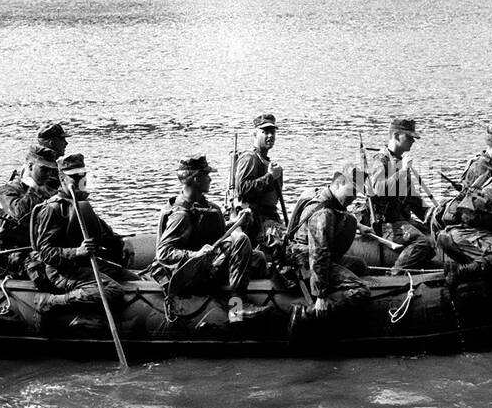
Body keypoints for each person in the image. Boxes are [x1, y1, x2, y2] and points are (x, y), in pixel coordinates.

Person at [28, 153, 136, 309]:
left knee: (132, 278)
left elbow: (102, 232)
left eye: (82, 175)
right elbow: (45, 252)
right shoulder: (54, 209)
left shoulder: (80, 204)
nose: (80, 180)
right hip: (62, 271)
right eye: (74, 177)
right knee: (112, 290)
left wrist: (120, 243)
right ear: (62, 179)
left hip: (85, 265)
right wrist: (77, 252)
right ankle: (51, 302)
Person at [148, 154, 265, 297]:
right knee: (241, 240)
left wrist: (235, 222)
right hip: (191, 274)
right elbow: (163, 253)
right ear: (196, 179)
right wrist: (195, 254)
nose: (210, 179)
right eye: (206, 175)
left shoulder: (200, 206)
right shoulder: (180, 215)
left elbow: (205, 233)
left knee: (258, 257)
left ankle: (258, 293)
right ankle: (238, 307)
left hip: (205, 265)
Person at [286, 168, 372, 325]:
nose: (354, 197)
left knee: (359, 265)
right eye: (352, 191)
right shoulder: (323, 214)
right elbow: (319, 254)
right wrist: (320, 295)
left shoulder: (323, 196)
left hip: (304, 254)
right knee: (361, 291)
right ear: (339, 183)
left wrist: (358, 226)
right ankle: (307, 314)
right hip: (305, 262)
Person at [0, 144, 59, 278]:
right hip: (5, 254)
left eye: (51, 170)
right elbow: (20, 213)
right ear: (30, 167)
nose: (48, 174)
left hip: (31, 248)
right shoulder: (8, 192)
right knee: (42, 266)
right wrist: (33, 188)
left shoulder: (47, 192)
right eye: (44, 169)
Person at [361, 118, 436, 272]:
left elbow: (412, 198)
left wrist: (431, 215)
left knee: (434, 235)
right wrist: (402, 172)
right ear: (395, 135)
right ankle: (396, 273)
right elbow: (378, 190)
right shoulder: (380, 160)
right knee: (422, 243)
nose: (413, 142)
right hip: (385, 224)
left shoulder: (400, 161)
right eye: (409, 137)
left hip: (400, 221)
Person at [234, 113, 287, 255]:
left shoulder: (266, 160)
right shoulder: (250, 158)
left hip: (268, 219)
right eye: (265, 132)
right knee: (288, 244)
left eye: (272, 132)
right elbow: (242, 189)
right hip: (256, 222)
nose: (270, 136)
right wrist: (269, 177)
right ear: (255, 134)